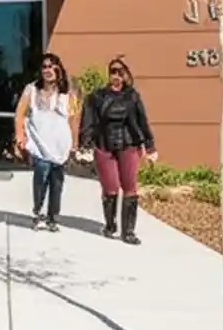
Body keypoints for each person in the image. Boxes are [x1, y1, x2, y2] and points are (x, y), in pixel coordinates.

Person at [80, 56, 158, 245]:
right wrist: (84, 145)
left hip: (128, 145)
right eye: (112, 71)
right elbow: (87, 122)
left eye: (119, 72)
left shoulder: (132, 96)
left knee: (130, 187)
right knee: (110, 187)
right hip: (104, 145)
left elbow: (142, 121)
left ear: (125, 75)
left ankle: (128, 231)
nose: (115, 75)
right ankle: (110, 224)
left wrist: (150, 146)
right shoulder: (97, 97)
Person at [14, 53, 79, 231]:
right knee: (41, 175)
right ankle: (39, 212)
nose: (47, 70)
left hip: (60, 145)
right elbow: (19, 113)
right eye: (44, 67)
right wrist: (20, 136)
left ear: (58, 69)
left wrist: (74, 145)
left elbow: (73, 120)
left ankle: (53, 216)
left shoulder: (68, 93)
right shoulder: (31, 90)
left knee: (57, 182)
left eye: (51, 66)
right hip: (38, 143)